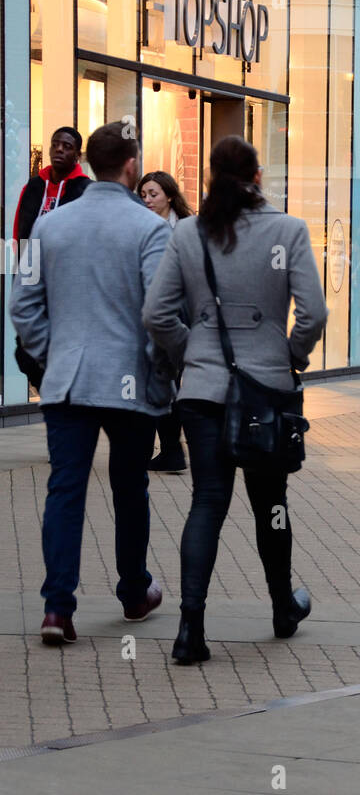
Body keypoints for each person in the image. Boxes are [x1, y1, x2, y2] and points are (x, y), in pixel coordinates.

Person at [143, 135, 328, 666]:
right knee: (270, 504)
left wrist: (192, 354)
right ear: (258, 176)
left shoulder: (186, 234)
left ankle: (190, 628)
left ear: (209, 178)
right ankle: (281, 606)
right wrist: (287, 356)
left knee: (207, 503)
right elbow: (313, 314)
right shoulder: (288, 231)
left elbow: (157, 314)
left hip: (202, 393)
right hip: (265, 392)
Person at [10, 121, 172, 646]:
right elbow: (160, 313)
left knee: (65, 489)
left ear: (90, 163)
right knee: (130, 487)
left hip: (68, 380)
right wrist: (158, 372)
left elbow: (22, 305)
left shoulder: (49, 226)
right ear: (130, 167)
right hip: (130, 380)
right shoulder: (151, 229)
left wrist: (52, 355)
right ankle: (133, 592)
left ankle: (57, 609)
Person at [138, 172, 194, 473]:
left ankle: (172, 450)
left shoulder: (185, 228)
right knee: (163, 379)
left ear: (169, 196)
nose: (147, 199)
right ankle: (170, 450)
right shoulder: (142, 227)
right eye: (143, 194)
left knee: (166, 379)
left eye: (153, 193)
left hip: (180, 315)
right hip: (154, 314)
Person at [12, 126, 90, 244]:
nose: (59, 149)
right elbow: (19, 228)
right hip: (32, 259)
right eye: (54, 145)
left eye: (67, 147)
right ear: (49, 150)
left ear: (78, 155)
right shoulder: (33, 185)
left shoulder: (86, 190)